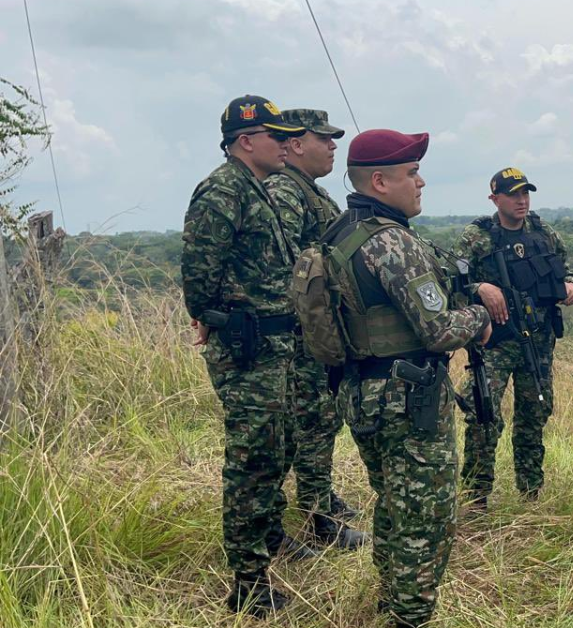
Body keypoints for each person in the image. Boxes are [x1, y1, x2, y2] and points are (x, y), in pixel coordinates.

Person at [329, 128, 492, 627]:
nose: (420, 182)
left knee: (394, 503)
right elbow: (440, 329)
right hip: (408, 396)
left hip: (361, 391)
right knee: (428, 517)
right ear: (379, 181)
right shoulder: (393, 243)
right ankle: (411, 617)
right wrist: (480, 316)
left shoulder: (340, 234)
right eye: (410, 173)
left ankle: (391, 600)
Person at [180, 95, 310, 617]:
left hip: (275, 343)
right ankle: (247, 582)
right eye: (277, 137)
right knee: (251, 459)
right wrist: (221, 324)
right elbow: (199, 277)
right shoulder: (221, 191)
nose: (286, 145)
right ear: (245, 140)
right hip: (247, 346)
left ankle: (268, 543)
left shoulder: (255, 187)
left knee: (275, 451)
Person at [263, 108, 366, 549]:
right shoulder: (285, 191)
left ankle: (319, 502)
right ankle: (318, 518)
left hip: (314, 331)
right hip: (297, 333)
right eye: (323, 139)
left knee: (319, 421)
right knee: (310, 423)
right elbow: (286, 266)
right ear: (294, 144)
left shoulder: (309, 191)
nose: (332, 147)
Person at [456, 167, 573, 509]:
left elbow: (566, 268)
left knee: (534, 412)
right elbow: (452, 282)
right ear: (495, 199)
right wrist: (479, 288)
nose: (521, 200)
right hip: (494, 340)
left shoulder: (543, 233)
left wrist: (572, 285)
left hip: (538, 340)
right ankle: (477, 495)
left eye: (525, 193)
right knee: (484, 414)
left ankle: (531, 492)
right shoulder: (477, 237)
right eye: (513, 194)